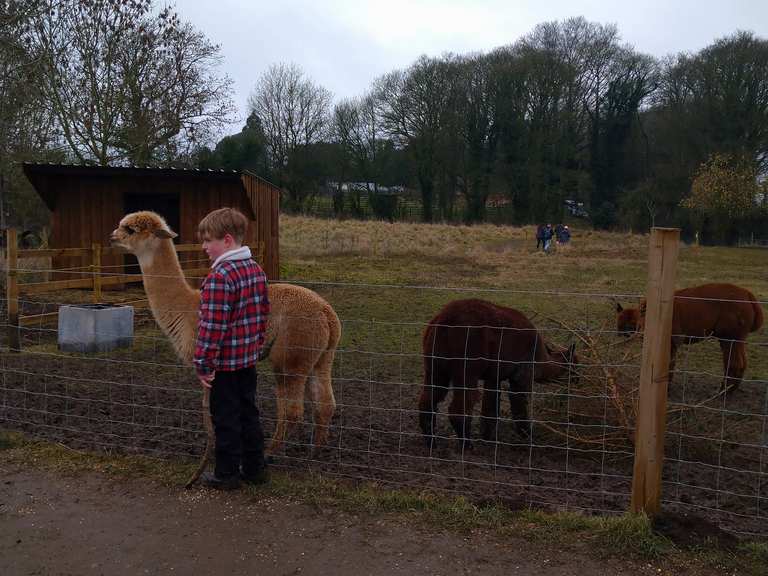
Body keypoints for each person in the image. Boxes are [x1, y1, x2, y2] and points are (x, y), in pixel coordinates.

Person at [194, 207, 271, 490]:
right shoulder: (256, 270)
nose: (204, 247)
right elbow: (263, 315)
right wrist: (256, 346)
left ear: (226, 240)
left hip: (224, 366)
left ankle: (226, 474)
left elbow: (212, 327)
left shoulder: (219, 277)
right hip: (248, 361)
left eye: (207, 240)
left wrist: (203, 362)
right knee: (249, 413)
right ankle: (255, 468)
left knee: (225, 418)